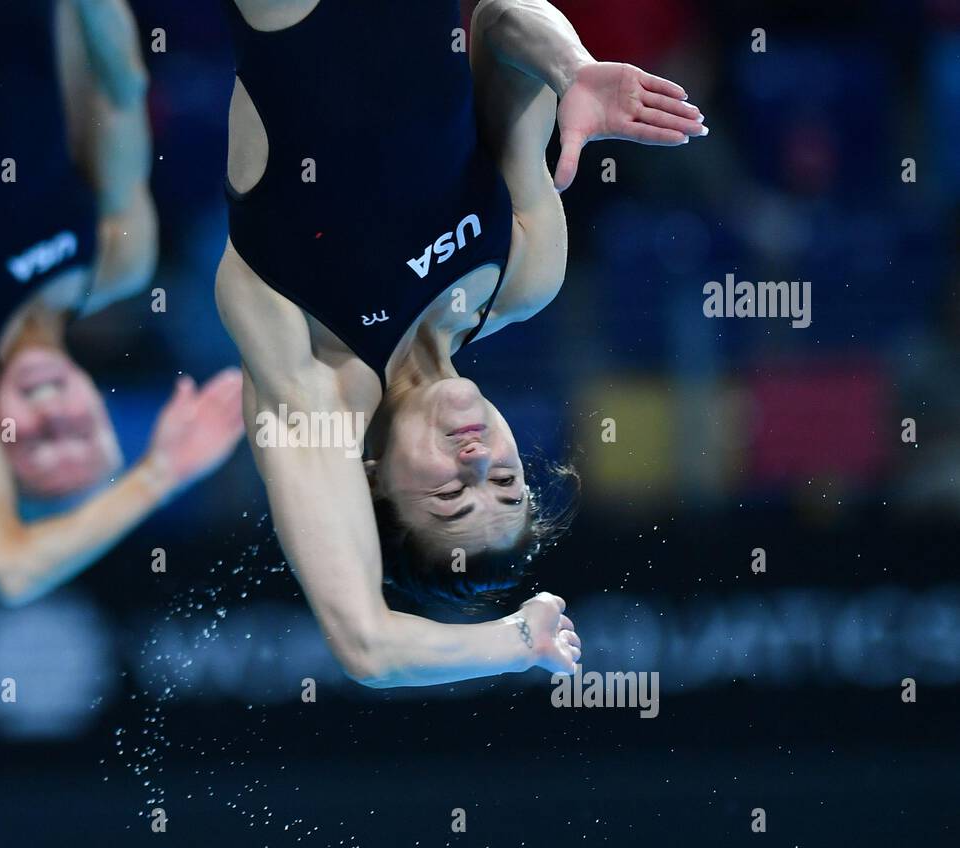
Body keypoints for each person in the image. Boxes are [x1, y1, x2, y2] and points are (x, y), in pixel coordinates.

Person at [214, 0, 707, 686]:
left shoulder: (310, 376)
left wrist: (518, 643)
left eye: (449, 495)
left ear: (371, 482)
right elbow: (501, 25)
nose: (476, 459)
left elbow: (367, 648)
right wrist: (575, 69)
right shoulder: (525, 273)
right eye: (505, 480)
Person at [0, 0, 244, 606]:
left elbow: (9, 573)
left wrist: (158, 477)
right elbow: (119, 90)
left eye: (33, 442)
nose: (52, 411)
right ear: (96, 400)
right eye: (80, 430)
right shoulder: (116, 261)